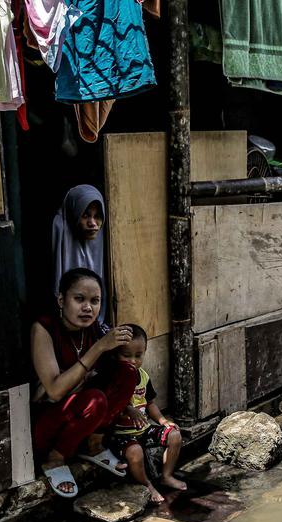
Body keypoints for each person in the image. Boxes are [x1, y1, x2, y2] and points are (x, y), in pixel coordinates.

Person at [31, 269, 138, 497]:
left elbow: (118, 375)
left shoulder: (96, 329)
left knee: (128, 372)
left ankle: (93, 444)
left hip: (81, 418)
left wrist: (128, 405)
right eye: (79, 299)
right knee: (95, 400)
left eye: (94, 301)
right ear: (61, 300)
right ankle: (55, 458)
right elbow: (55, 390)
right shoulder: (44, 328)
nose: (88, 307)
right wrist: (99, 347)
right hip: (48, 423)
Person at [103, 325, 186, 503]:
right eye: (126, 356)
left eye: (138, 355)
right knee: (135, 452)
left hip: (144, 430)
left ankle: (167, 475)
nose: (133, 361)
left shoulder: (143, 376)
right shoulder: (114, 378)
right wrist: (128, 409)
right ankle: (146, 483)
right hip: (121, 436)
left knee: (175, 435)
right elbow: (108, 405)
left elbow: (150, 403)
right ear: (115, 354)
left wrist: (163, 421)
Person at [52, 185, 108, 326]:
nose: (93, 223)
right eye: (85, 215)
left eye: (97, 216)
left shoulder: (104, 238)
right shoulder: (60, 229)